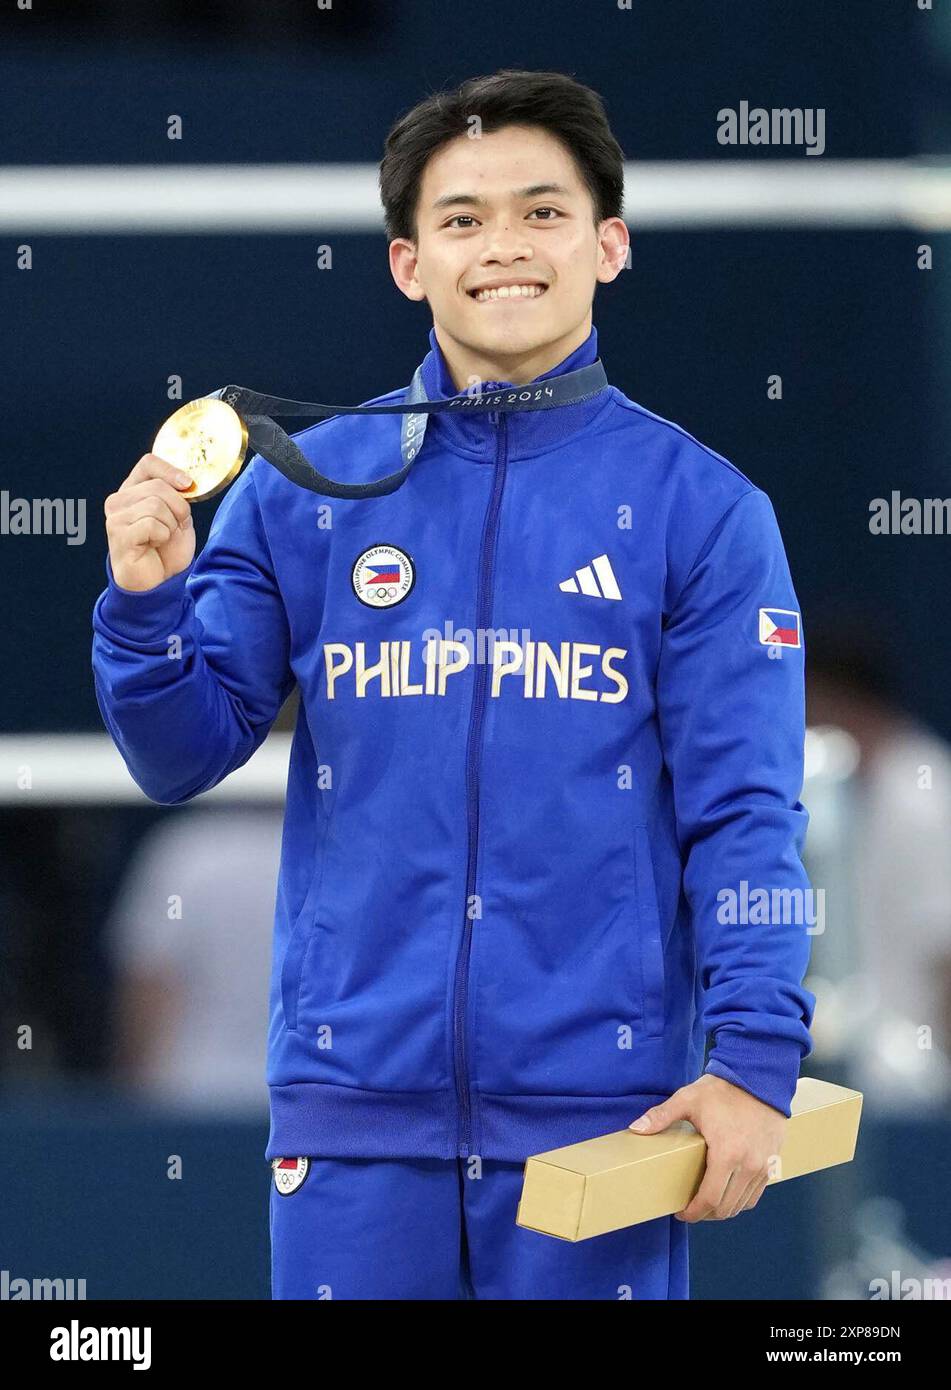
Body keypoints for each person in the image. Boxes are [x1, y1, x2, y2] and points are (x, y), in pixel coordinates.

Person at [91, 68, 816, 1300]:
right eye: (462, 220)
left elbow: (747, 819)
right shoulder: (304, 486)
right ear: (409, 265)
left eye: (542, 212)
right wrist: (148, 603)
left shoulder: (705, 513)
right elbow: (180, 752)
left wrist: (753, 1062)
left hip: (607, 1123)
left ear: (610, 242)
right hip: (351, 1114)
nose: (505, 248)